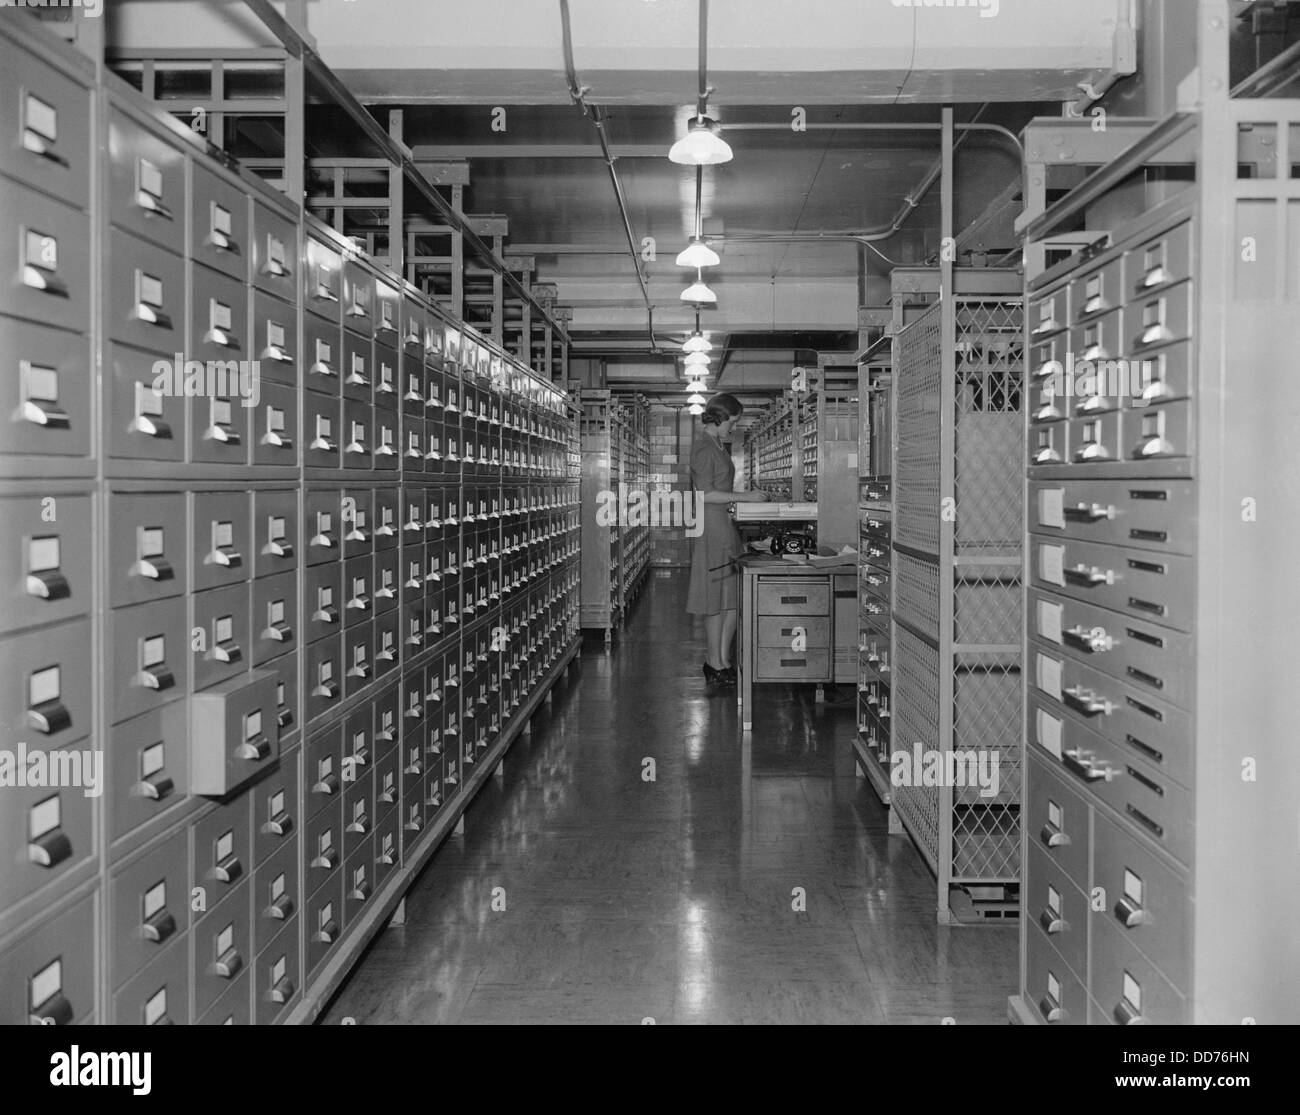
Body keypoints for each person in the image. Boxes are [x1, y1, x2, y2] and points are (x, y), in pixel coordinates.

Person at [686, 393, 770, 687]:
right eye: (732, 422)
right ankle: (713, 662)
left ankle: (723, 661)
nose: (733, 427)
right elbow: (705, 494)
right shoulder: (703, 448)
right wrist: (745, 496)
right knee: (715, 598)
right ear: (719, 418)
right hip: (711, 525)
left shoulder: (718, 444)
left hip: (723, 522)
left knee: (729, 597)